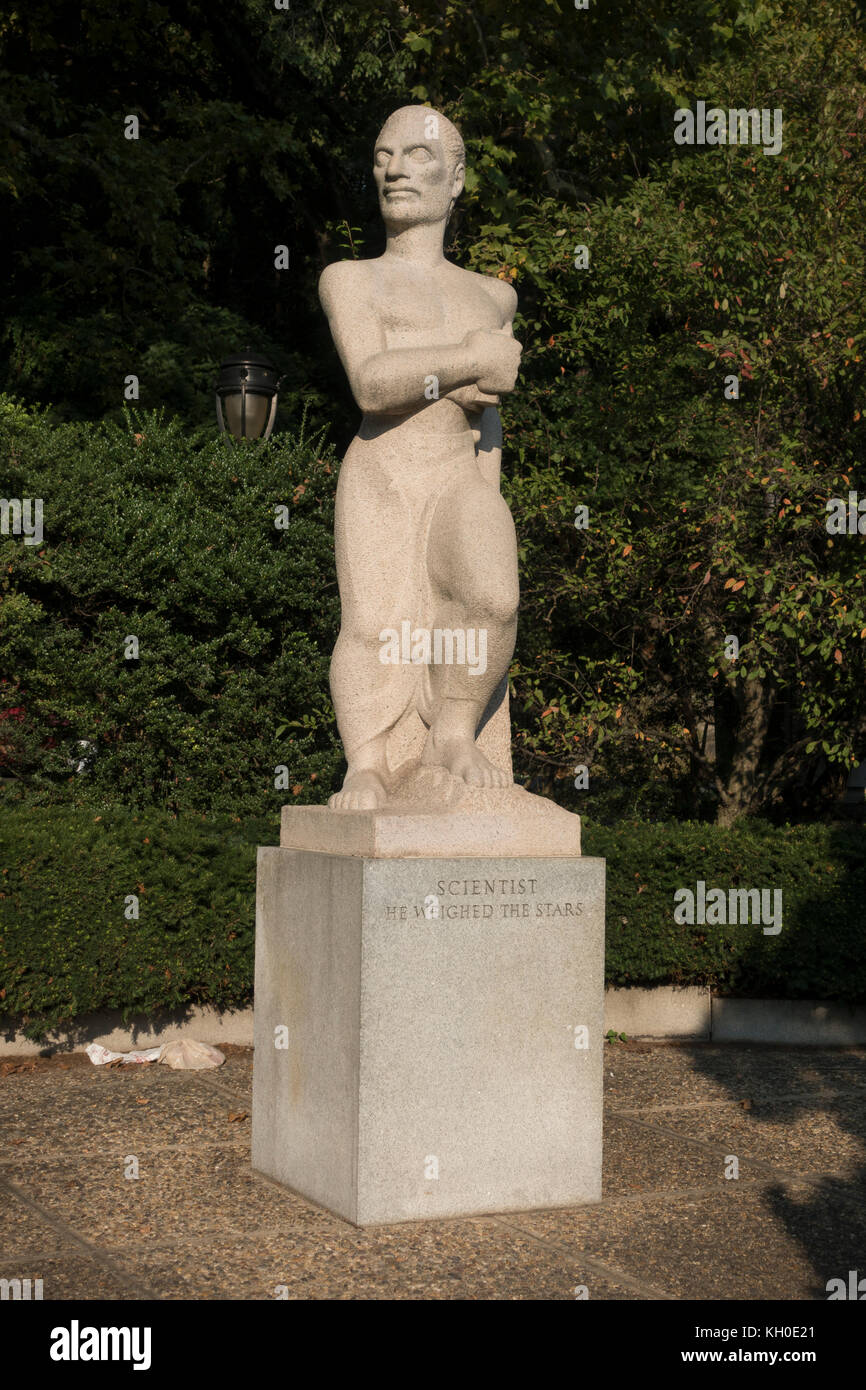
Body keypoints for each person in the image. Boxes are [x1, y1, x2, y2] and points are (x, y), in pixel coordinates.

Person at [319, 105, 523, 810]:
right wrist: (469, 358)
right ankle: (368, 763)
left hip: (456, 467)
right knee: (374, 625)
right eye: (382, 156)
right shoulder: (351, 279)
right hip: (384, 470)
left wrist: (488, 492)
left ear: (457, 177)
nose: (395, 169)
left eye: (416, 155)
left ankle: (455, 733)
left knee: (494, 596)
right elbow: (373, 384)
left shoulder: (494, 296)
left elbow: (488, 414)